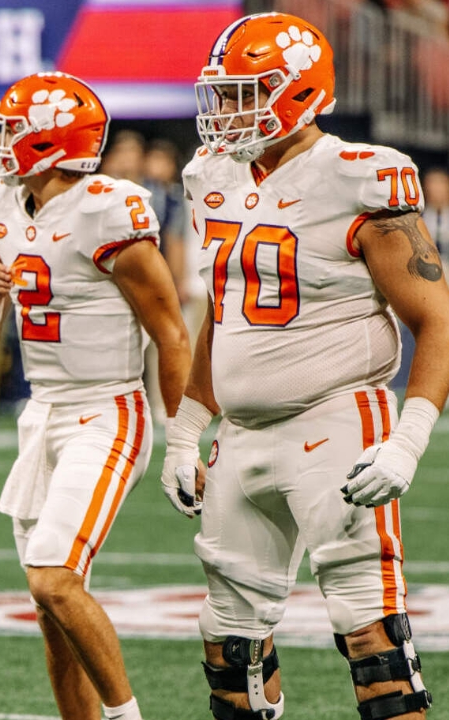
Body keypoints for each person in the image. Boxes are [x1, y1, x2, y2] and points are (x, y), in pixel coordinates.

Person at [164, 12, 445, 720]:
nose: (227, 110)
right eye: (223, 94)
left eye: (244, 93)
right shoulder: (209, 174)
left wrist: (408, 439)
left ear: (296, 92)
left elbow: (436, 317)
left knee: (373, 639)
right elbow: (222, 312)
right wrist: (185, 426)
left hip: (335, 420)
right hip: (242, 435)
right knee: (229, 652)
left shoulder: (361, 175)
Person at [0, 72, 192, 720]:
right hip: (40, 413)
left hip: (107, 409)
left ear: (51, 141)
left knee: (53, 577)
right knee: (50, 608)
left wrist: (183, 440)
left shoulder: (107, 208)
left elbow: (171, 332)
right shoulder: (4, 207)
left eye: (15, 129)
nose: (2, 140)